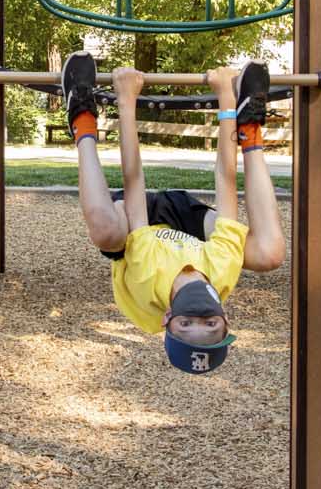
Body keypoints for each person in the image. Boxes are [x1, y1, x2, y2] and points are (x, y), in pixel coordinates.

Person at [63, 51, 286, 375]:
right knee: (270, 253)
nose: (198, 314)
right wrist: (226, 96)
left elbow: (133, 181)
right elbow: (225, 179)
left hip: (138, 228)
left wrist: (127, 101)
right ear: (225, 316)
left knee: (106, 232)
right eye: (209, 322)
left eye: (186, 321)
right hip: (185, 227)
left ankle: (81, 115)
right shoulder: (221, 271)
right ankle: (249, 123)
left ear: (168, 317)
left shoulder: (147, 276)